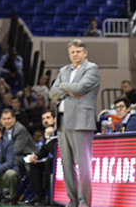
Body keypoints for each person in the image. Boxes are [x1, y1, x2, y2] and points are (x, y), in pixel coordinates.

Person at [49, 40, 100, 207]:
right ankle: (73, 200)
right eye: (73, 52)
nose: (75, 54)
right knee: (66, 164)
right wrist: (68, 89)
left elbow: (82, 87)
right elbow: (52, 92)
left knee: (83, 164)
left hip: (81, 121)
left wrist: (63, 86)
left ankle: (85, 201)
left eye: (79, 51)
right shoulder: (63, 70)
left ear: (85, 53)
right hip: (63, 121)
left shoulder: (91, 68)